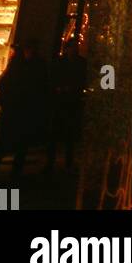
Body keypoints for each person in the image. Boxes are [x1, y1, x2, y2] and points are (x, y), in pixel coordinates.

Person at [0, 41, 50, 182]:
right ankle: (14, 172)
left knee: (4, 143)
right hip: (24, 110)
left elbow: (3, 82)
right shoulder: (36, 67)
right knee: (20, 144)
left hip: (13, 110)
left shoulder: (17, 66)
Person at [47, 41, 86, 172]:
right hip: (61, 101)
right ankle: (51, 162)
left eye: (75, 48)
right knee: (55, 134)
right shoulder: (60, 62)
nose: (73, 50)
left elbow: (82, 79)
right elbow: (52, 78)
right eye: (72, 48)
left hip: (72, 102)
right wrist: (58, 88)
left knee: (69, 135)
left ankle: (67, 162)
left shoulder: (80, 63)